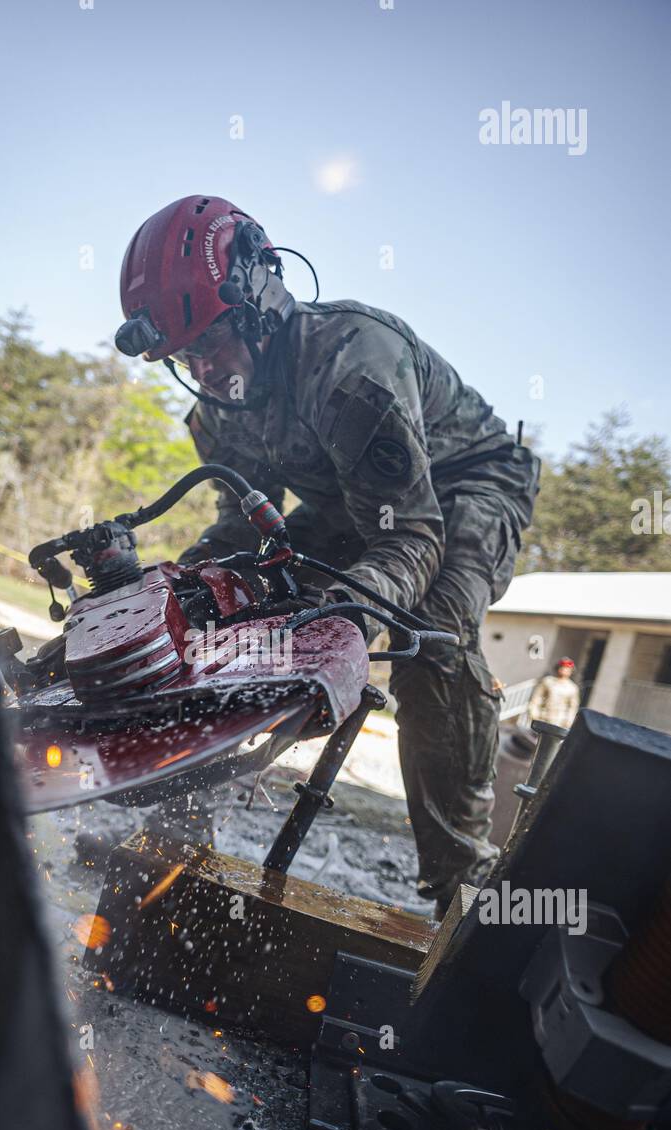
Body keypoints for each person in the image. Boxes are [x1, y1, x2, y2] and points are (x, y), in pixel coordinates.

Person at [114, 196, 540, 916]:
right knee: (227, 601)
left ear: (257, 309)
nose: (202, 369)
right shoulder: (217, 404)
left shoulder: (351, 369)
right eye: (183, 357)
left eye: (211, 345)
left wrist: (343, 617)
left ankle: (463, 887)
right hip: (349, 499)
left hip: (463, 486)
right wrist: (174, 590)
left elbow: (410, 532)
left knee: (428, 636)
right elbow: (243, 524)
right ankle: (177, 831)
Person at [528, 658, 580, 730]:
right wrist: (534, 714)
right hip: (543, 718)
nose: (564, 670)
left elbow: (572, 707)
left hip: (559, 722)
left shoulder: (572, 688)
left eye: (567, 668)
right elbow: (536, 699)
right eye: (562, 667)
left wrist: (568, 722)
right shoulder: (548, 681)